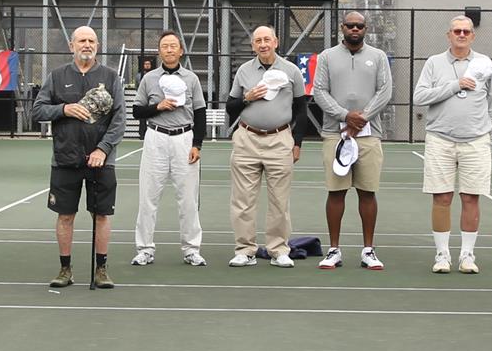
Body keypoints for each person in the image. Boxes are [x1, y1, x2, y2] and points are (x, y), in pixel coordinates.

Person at [32, 26, 126, 289]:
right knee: (65, 215)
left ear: (97, 45)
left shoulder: (110, 77)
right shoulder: (57, 76)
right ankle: (65, 270)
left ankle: (101, 269)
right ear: (71, 45)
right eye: (82, 40)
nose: (87, 44)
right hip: (65, 159)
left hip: (101, 162)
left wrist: (102, 149)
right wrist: (64, 109)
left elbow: (119, 120)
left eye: (92, 41)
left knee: (102, 215)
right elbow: (37, 110)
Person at [414, 14, 492, 273]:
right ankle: (442, 255)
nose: (461, 35)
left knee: (471, 198)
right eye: (456, 31)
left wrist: (489, 140)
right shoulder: (434, 63)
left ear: (473, 35)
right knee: (442, 197)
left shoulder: (485, 64)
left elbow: (491, 104)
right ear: (448, 35)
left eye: (466, 31)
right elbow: (420, 96)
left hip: (476, 141)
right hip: (440, 139)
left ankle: (467, 256)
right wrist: (454, 85)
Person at [311, 11, 394, 271]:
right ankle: (334, 250)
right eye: (350, 25)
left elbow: (385, 91)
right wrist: (345, 116)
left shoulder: (378, 57)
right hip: (335, 133)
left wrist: (362, 119)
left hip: (369, 136)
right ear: (342, 28)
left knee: (367, 192)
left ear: (365, 29)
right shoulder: (326, 57)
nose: (355, 29)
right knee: (336, 192)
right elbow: (319, 90)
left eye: (359, 26)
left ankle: (368, 250)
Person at [224, 25, 306, 268]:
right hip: (247, 138)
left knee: (279, 200)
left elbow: (301, 109)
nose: (263, 44)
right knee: (242, 200)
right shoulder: (244, 71)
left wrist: (297, 142)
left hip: (280, 140)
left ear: (276, 41)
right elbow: (230, 107)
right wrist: (247, 97)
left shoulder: (291, 71)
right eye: (258, 40)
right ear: (253, 46)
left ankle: (279, 250)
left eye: (267, 39)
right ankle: (244, 250)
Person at [131, 30, 207, 267]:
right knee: (148, 197)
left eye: (174, 46)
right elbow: (137, 111)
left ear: (181, 51)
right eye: (165, 46)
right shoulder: (149, 78)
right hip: (156, 138)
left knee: (188, 199)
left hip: (184, 139)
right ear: (159, 51)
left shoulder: (191, 79)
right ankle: (144, 249)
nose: (170, 49)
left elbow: (200, 114)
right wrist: (158, 107)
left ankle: (191, 249)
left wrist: (197, 144)